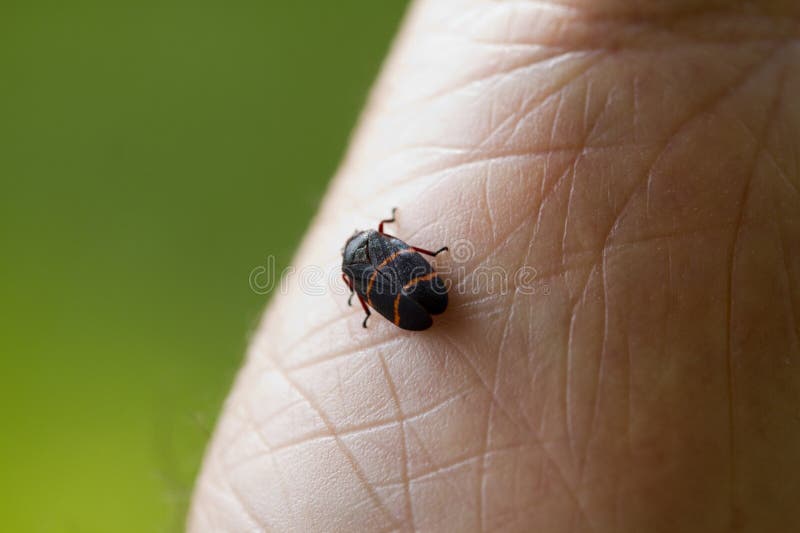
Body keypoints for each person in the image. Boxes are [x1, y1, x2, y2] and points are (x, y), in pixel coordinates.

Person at [189, 0, 800, 531]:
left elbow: (371, 286)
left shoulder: (363, 268)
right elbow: (392, 260)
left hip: (412, 300)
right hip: (416, 298)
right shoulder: (376, 248)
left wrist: (375, 300)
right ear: (369, 246)